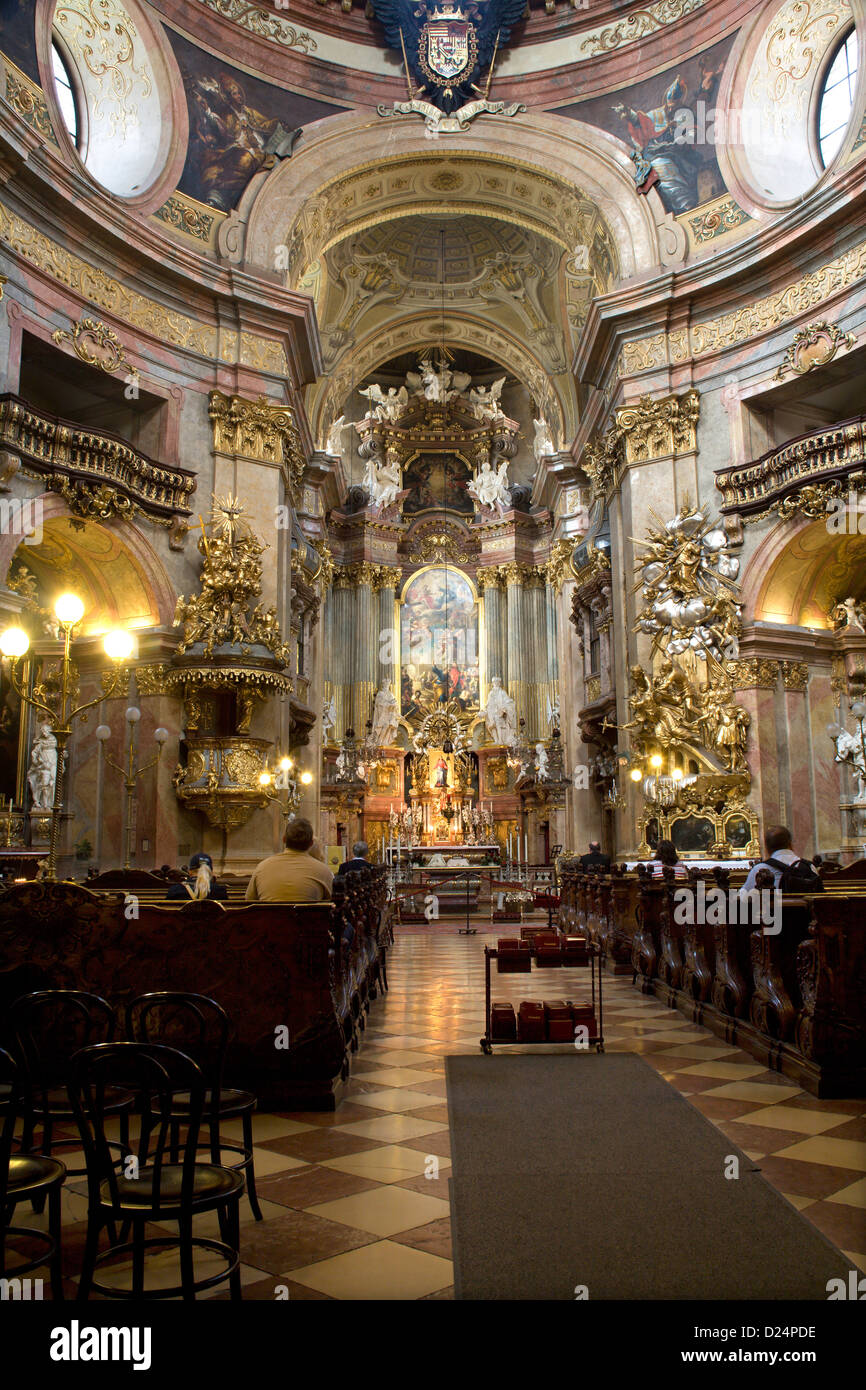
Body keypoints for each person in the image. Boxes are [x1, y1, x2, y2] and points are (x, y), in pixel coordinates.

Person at [246, 817, 333, 902]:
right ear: (311, 843)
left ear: (284, 839)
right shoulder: (323, 871)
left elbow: (249, 901)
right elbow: (332, 904)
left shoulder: (262, 867)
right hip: (305, 917)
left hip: (271, 917)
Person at [740, 825, 822, 895]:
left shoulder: (759, 870)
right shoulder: (809, 866)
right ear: (790, 844)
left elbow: (743, 897)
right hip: (804, 913)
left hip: (773, 913)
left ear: (767, 848)